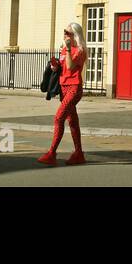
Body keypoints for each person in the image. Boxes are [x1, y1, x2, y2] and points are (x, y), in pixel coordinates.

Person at [38, 22, 87, 166]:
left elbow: (71, 67)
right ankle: (79, 153)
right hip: (64, 87)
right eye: (64, 32)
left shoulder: (79, 50)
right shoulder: (65, 50)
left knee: (59, 118)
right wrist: (55, 66)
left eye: (68, 33)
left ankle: (52, 153)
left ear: (74, 36)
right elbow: (63, 67)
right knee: (72, 121)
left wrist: (69, 50)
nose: (65, 34)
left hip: (74, 88)